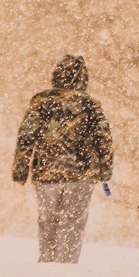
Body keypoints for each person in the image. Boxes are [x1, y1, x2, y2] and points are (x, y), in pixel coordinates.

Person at [12, 55, 114, 264]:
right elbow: (104, 140)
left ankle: (47, 263)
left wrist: (21, 169)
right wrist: (105, 170)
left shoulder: (40, 102)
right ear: (82, 78)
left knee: (48, 220)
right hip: (81, 175)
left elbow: (26, 137)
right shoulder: (90, 105)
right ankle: (65, 267)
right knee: (73, 223)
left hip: (46, 173)